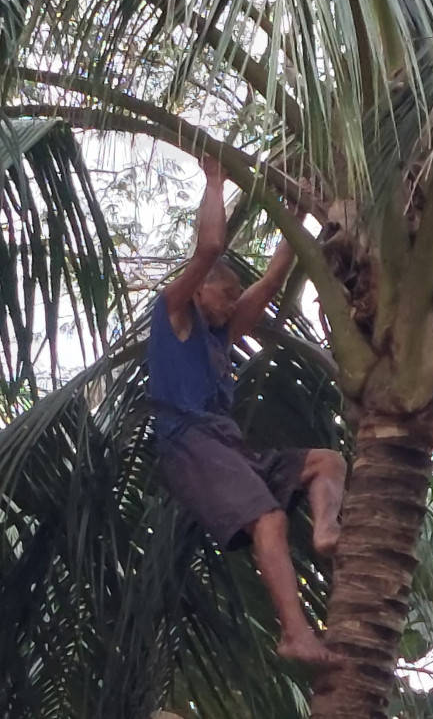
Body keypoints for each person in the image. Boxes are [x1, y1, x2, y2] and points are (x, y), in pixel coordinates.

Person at [145, 155, 345, 668]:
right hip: (188, 440)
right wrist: (214, 181)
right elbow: (210, 246)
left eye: (236, 296)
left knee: (328, 462)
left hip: (226, 444)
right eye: (227, 293)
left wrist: (301, 213)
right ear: (201, 286)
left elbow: (274, 281)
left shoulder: (220, 335)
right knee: (269, 519)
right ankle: (296, 634)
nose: (233, 303)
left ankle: (326, 531)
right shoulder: (175, 313)